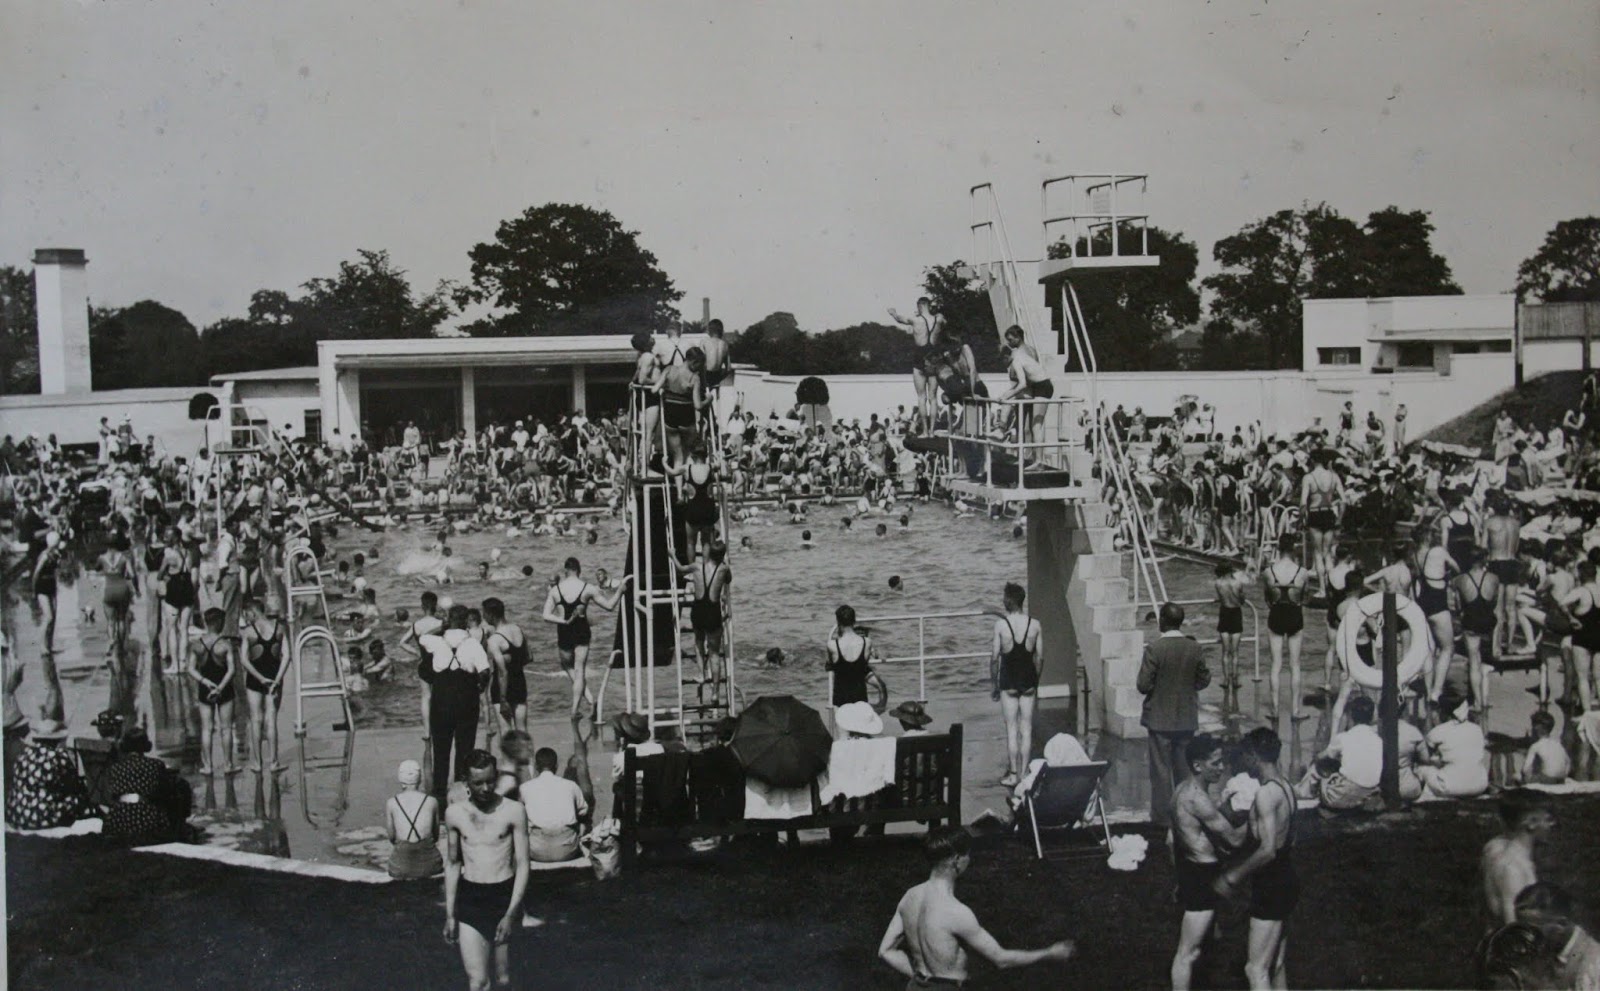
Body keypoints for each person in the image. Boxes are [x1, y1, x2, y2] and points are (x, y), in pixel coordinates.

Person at [877, 825, 1075, 987]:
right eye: (967, 856)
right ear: (956, 860)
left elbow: (885, 951)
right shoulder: (956, 912)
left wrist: (921, 979)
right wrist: (1050, 953)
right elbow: (1001, 959)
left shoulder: (909, 897)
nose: (969, 861)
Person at [1215, 727, 1297, 991]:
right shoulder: (1286, 788)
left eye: (1245, 755)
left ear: (1253, 756)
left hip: (1271, 883)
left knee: (1255, 969)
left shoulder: (1265, 795)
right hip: (1286, 878)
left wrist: (1232, 876)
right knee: (1276, 964)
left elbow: (1267, 849)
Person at [444, 750, 529, 991]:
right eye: (478, 782)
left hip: (504, 895)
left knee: (504, 980)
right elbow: (452, 864)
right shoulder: (455, 814)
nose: (485, 788)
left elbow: (523, 864)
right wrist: (450, 913)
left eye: (491, 781)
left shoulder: (513, 811)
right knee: (478, 982)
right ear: (465, 782)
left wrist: (511, 913)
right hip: (471, 897)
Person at [1170, 734, 1247, 991]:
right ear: (1198, 766)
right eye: (1215, 763)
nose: (1222, 767)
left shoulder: (1181, 790)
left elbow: (1171, 841)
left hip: (1193, 871)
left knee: (1209, 943)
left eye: (1222, 761)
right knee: (1187, 952)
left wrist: (1179, 878)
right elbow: (1235, 840)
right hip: (1202, 876)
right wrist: (1258, 816)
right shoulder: (1197, 799)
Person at [1137, 603, 1211, 829]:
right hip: (1186, 717)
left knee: (1160, 773)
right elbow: (1204, 679)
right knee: (1185, 770)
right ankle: (1186, 813)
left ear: (1162, 620)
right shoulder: (1194, 647)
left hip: (1159, 718)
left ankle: (1162, 819)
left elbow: (1143, 684)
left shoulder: (1154, 649)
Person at [418, 604, 493, 797]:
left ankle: (440, 796)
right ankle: (461, 794)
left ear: (449, 620)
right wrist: (480, 687)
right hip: (467, 701)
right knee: (465, 749)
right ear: (466, 621)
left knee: (441, 752)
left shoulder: (436, 641)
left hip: (441, 702)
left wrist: (442, 627)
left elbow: (421, 638)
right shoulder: (473, 643)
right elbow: (485, 671)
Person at [541, 557, 628, 718]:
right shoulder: (588, 588)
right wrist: (620, 591)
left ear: (565, 571)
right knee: (579, 670)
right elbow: (609, 606)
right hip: (582, 631)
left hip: (564, 631)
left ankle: (586, 701)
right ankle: (581, 705)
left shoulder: (555, 590)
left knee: (568, 667)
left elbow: (546, 616)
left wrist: (563, 621)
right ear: (579, 571)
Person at [990, 582, 1042, 788]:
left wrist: (993, 685)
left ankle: (1013, 774)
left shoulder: (1001, 625)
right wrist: (1036, 680)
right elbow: (1040, 658)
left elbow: (994, 658)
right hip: (1028, 680)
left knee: (1011, 729)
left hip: (1008, 681)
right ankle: (1025, 773)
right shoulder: (1035, 624)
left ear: (1009, 600)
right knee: (1026, 729)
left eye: (1004, 597)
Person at [1481, 788, 1554, 927]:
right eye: (1548, 819)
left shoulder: (1493, 848)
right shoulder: (1513, 869)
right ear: (1531, 823)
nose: (1552, 825)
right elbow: (1514, 930)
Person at [1295, 695, 1382, 811]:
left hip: (1341, 795)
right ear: (1371, 718)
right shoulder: (1379, 740)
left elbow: (1321, 757)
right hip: (1370, 792)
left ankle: (1301, 792)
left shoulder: (1344, 738)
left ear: (1351, 716)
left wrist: (1318, 757)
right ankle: (1302, 790)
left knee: (1320, 765)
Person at [1261, 534, 1310, 720]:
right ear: (1294, 549)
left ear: (1279, 549)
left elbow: (1267, 598)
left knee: (1275, 665)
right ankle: (1295, 711)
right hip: (1295, 615)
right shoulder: (1302, 572)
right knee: (1295, 665)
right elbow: (1305, 598)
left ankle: (1274, 710)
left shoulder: (1268, 572)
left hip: (1276, 615)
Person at [187, 607, 237, 776]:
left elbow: (191, 669)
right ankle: (228, 764)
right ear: (220, 623)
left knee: (206, 729)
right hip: (224, 688)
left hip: (204, 689)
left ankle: (208, 766)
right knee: (226, 728)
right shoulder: (225, 645)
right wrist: (220, 687)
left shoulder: (197, 644)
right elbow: (231, 670)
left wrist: (205, 682)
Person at [239, 596, 288, 772]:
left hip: (255, 679)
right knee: (271, 718)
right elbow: (287, 657)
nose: (246, 619)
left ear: (252, 612)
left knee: (256, 719)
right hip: (275, 678)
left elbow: (244, 660)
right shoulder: (280, 628)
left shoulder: (248, 632)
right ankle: (274, 762)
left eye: (246, 615)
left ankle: (258, 763)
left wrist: (260, 678)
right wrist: (276, 680)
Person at [518, 746, 590, 863]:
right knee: (582, 820)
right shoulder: (571, 785)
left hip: (536, 851)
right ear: (556, 766)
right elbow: (584, 812)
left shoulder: (524, 788)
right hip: (567, 850)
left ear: (536, 766)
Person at [1418, 692, 1490, 800]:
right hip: (1480, 784)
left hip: (1452, 786)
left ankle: (1423, 798)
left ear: (1442, 712)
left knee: (1423, 769)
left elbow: (1424, 757)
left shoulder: (1438, 731)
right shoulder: (1476, 729)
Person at [887, 297, 945, 427]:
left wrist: (893, 313)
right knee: (933, 398)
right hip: (935, 358)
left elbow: (900, 319)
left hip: (920, 358)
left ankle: (925, 430)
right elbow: (945, 324)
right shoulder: (939, 319)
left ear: (919, 306)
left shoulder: (915, 320)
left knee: (921, 397)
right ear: (929, 305)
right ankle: (931, 431)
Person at [997, 324, 1053, 452]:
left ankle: (1002, 429)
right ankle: (1029, 457)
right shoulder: (1032, 350)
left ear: (1018, 338)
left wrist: (1009, 393)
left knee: (1025, 426)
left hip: (1029, 389)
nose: (1009, 343)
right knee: (1029, 427)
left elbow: (1019, 379)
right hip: (1034, 388)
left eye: (1010, 340)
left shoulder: (1018, 354)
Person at [386, 758, 443, 880]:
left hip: (401, 866)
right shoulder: (432, 801)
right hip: (430, 864)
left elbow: (391, 837)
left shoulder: (391, 803)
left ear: (400, 780)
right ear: (419, 780)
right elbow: (436, 835)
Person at [482, 598, 529, 738]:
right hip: (520, 682)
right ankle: (527, 760)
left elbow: (503, 673)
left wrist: (503, 700)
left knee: (506, 732)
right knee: (522, 730)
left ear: (491, 614)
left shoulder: (494, 639)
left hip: (502, 688)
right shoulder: (517, 629)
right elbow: (529, 657)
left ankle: (509, 761)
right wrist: (513, 659)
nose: (483, 617)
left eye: (484, 613)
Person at [688, 541, 731, 688]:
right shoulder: (724, 568)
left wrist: (673, 555)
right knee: (714, 654)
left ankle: (701, 674)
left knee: (699, 644)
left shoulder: (696, 567)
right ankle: (715, 693)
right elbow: (729, 579)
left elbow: (680, 569)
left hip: (698, 611)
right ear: (722, 555)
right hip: (713, 613)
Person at [827, 605, 876, 709]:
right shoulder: (866, 642)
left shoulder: (832, 645)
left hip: (840, 700)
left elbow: (829, 665)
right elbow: (865, 665)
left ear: (838, 622)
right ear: (854, 621)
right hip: (861, 698)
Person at [1213, 561, 1246, 694]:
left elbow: (1220, 598)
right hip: (1236, 613)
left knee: (1225, 651)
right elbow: (1242, 600)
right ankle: (1235, 679)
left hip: (1224, 612)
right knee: (1235, 652)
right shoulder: (1237, 583)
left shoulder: (1218, 583)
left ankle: (1226, 680)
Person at [1520, 710, 1570, 785]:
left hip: (1547, 779)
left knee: (1516, 777)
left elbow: (1526, 769)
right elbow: (1568, 762)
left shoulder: (1536, 746)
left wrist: (1527, 779)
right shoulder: (1558, 744)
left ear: (1536, 728)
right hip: (1561, 779)